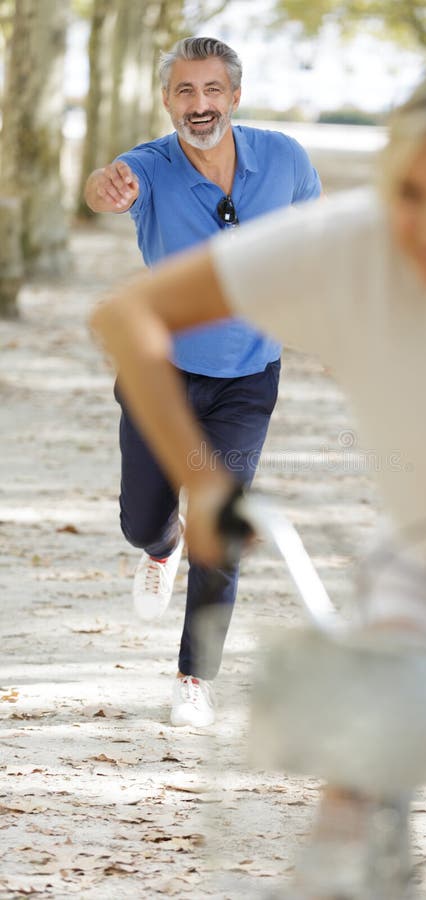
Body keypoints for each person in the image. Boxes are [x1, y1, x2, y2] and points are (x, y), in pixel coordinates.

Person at [90, 49, 426, 900]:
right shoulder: (358, 245)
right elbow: (128, 313)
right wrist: (205, 482)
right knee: (344, 848)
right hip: (420, 585)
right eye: (413, 193)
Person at [84, 36, 321, 728]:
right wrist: (103, 186)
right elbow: (107, 188)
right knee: (141, 517)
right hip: (159, 371)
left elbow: (310, 228)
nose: (199, 104)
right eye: (184, 92)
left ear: (235, 96)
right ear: (166, 101)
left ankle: (194, 679)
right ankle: (160, 547)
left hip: (248, 376)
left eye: (212, 90)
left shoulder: (284, 159)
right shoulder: (148, 168)